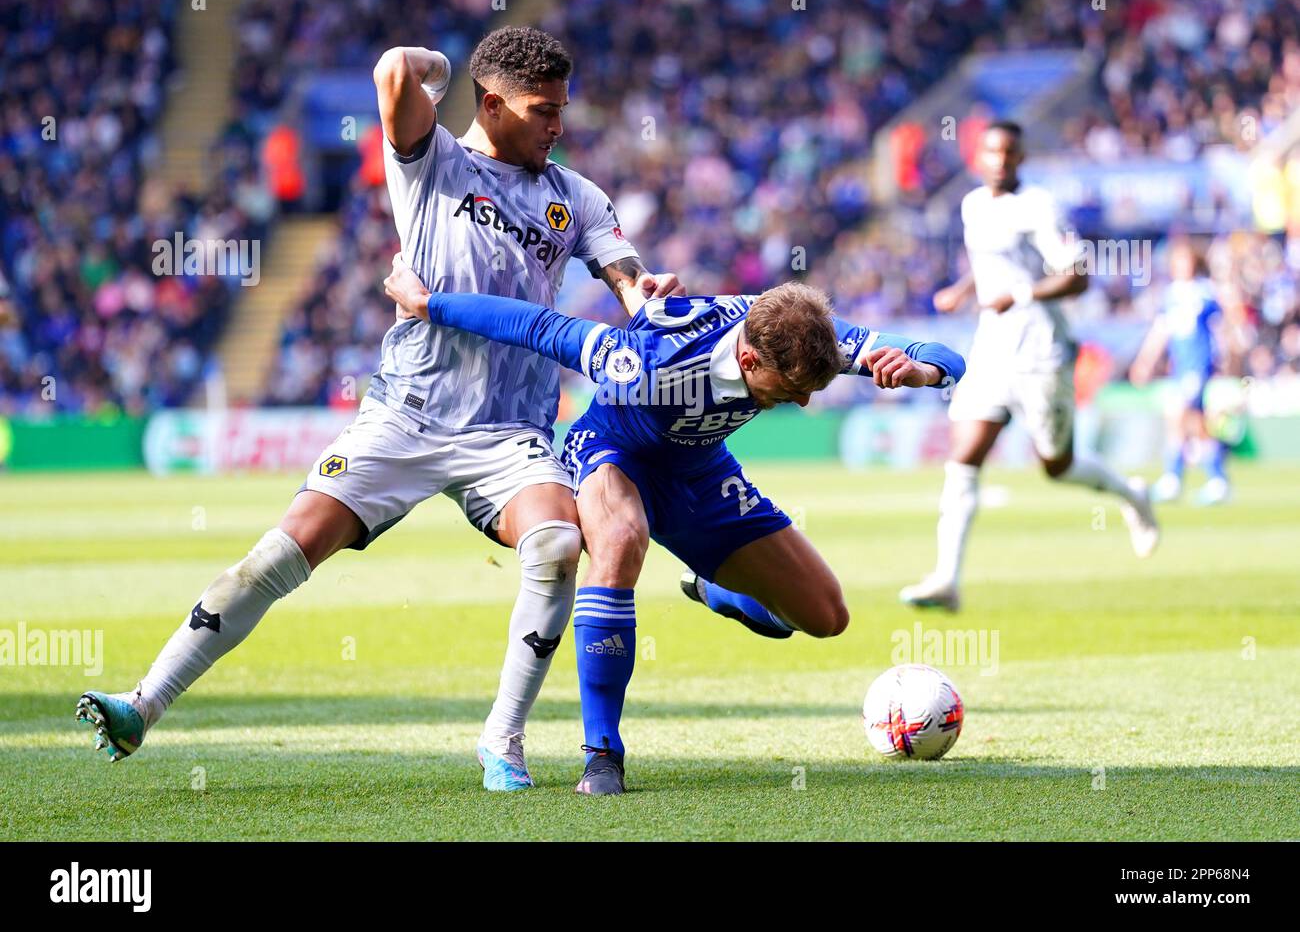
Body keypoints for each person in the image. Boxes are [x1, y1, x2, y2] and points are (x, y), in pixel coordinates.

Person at [76, 27, 682, 793]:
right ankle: (142, 704)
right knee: (277, 555)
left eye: (562, 109)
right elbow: (397, 69)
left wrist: (642, 292)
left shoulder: (575, 196)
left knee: (559, 545)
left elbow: (625, 272)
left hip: (509, 430)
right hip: (407, 414)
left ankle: (503, 740)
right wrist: (445, 70)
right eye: (542, 111)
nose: (558, 126)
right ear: (490, 105)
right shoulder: (431, 162)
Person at [383, 260, 965, 794]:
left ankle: (716, 588)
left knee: (825, 617)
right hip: (615, 452)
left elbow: (943, 354)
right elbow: (539, 326)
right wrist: (429, 304)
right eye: (789, 393)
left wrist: (921, 369)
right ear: (748, 361)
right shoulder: (655, 354)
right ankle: (602, 755)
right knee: (619, 541)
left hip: (699, 469)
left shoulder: (798, 338)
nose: (801, 404)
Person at [899, 120, 1159, 613]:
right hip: (992, 350)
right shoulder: (972, 204)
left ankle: (1132, 494)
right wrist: (963, 291)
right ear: (979, 156)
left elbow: (1077, 278)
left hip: (1042, 350)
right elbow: (987, 266)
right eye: (992, 151)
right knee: (963, 459)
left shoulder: (1039, 207)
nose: (999, 160)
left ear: (1021, 158)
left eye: (1009, 152)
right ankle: (945, 579)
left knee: (1056, 467)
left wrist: (1017, 295)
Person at [1128, 240, 1229, 505]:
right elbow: (1161, 331)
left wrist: (1224, 360)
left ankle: (1175, 478)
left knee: (1179, 416)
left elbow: (1220, 329)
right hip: (1179, 367)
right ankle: (1214, 479)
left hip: (1197, 365)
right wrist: (1144, 362)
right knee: (1192, 421)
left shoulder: (1205, 292)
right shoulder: (1171, 294)